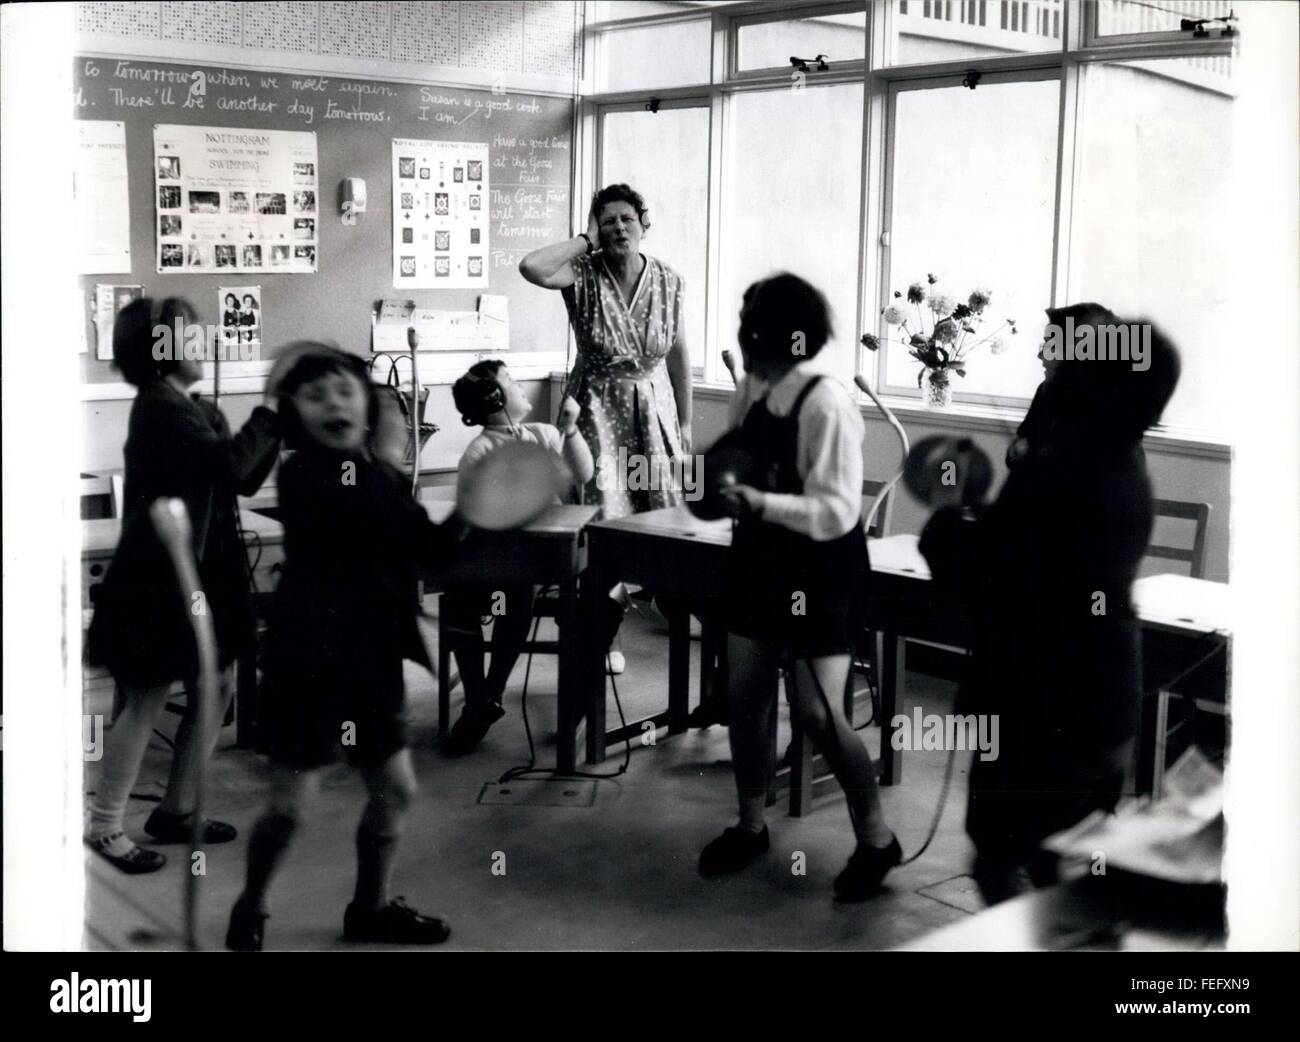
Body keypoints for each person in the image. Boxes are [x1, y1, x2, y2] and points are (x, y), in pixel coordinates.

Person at [918, 303, 1181, 903]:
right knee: (1062, 868)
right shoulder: (1124, 463)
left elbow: (988, 567)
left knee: (1012, 867)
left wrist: (945, 524)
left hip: (1041, 705)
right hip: (1105, 699)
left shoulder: (1067, 467)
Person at [226, 346, 464, 951]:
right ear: (295, 417)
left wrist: (475, 514)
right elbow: (397, 531)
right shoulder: (306, 474)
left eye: (344, 390)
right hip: (307, 664)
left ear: (365, 402)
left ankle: (371, 908)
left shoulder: (377, 474)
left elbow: (431, 552)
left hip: (369, 661)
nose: (333, 401)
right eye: (314, 395)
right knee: (290, 807)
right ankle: (250, 906)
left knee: (395, 790)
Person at [697, 273, 902, 900]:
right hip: (758, 562)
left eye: (756, 319)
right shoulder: (751, 392)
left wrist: (758, 500)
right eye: (745, 316)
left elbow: (838, 511)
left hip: (822, 571)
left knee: (817, 714)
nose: (746, 329)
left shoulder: (827, 401)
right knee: (746, 698)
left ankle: (876, 840)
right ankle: (750, 824)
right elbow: (730, 461)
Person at [85, 297, 282, 873]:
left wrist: (255, 425)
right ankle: (103, 827)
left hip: (197, 578)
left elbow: (242, 484)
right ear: (160, 350)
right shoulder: (160, 409)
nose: (203, 347)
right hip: (155, 583)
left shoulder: (186, 407)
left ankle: (175, 812)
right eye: (190, 340)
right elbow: (235, 468)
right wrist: (268, 413)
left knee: (217, 685)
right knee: (145, 697)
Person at [519, 184, 693, 672]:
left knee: (661, 519)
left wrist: (685, 420)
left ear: (643, 225)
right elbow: (531, 267)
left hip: (654, 413)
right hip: (595, 412)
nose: (619, 228)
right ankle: (603, 634)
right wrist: (582, 239)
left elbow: (678, 352)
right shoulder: (581, 272)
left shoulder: (669, 279)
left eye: (627, 220)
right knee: (601, 523)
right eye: (608, 221)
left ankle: (661, 600)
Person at [440, 360, 594, 755]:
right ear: (493, 398)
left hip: (537, 562)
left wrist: (571, 430)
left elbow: (583, 473)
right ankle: (478, 696)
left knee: (515, 594)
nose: (520, 385)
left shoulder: (543, 434)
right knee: (459, 598)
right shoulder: (479, 450)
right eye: (510, 380)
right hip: (489, 563)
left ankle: (491, 692)